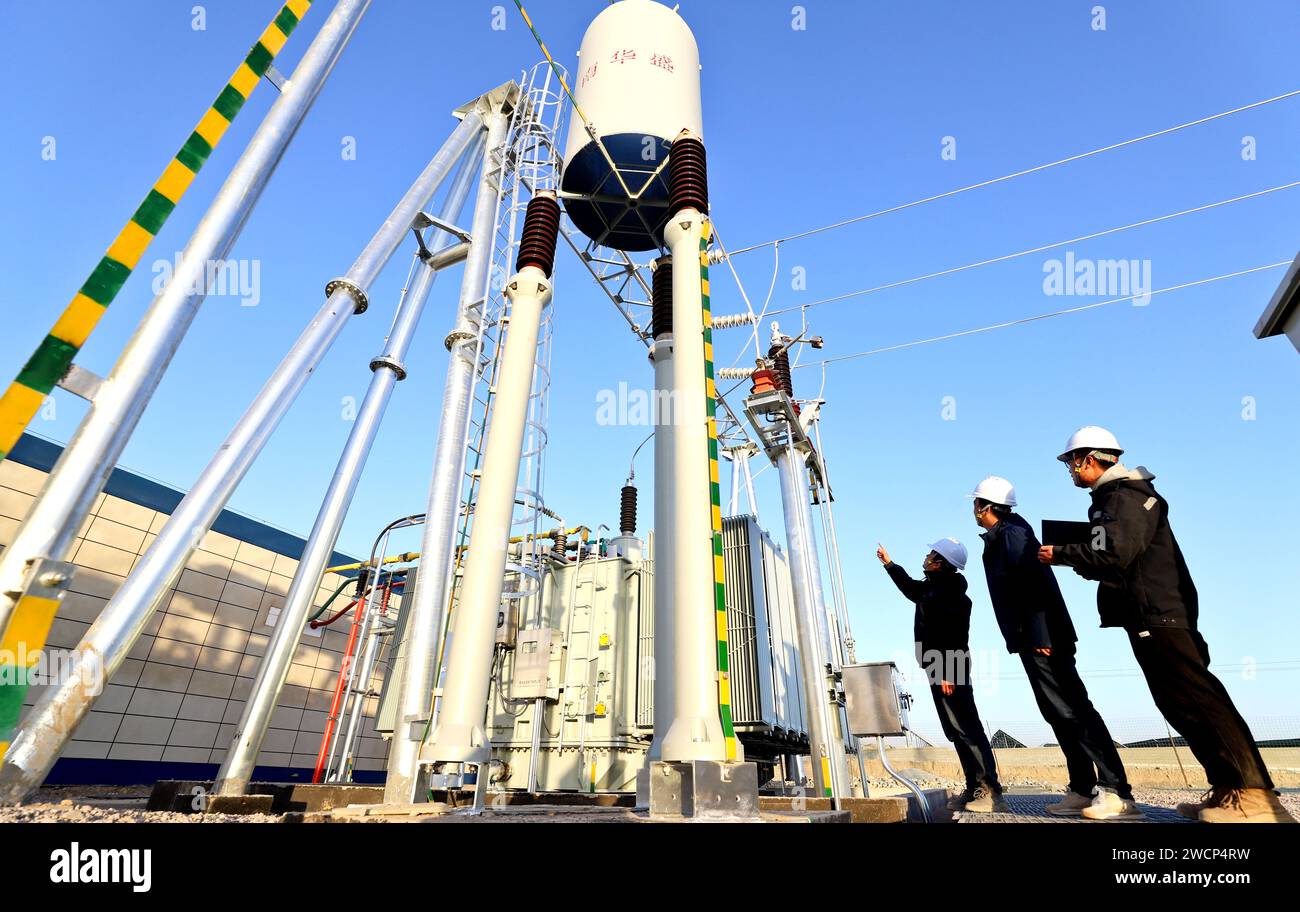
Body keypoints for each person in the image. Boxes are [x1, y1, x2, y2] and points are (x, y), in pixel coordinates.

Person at [1039, 426, 1295, 824]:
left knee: (1200, 701)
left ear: (1089, 459)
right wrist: (1082, 558)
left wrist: (1063, 553)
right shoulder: (1117, 498)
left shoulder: (1124, 496)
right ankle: (1228, 790)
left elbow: (1115, 553)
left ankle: (1255, 797)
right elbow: (1118, 557)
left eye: (1071, 462)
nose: (1070, 470)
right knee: (1180, 705)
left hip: (1160, 615)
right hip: (1149, 614)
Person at [971, 475, 1139, 820]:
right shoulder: (1004, 535)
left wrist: (1041, 636)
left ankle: (1116, 791)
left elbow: (1034, 586)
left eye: (975, 504)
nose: (973, 510)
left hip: (1044, 638)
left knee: (1075, 710)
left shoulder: (1013, 534)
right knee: (1058, 713)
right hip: (1032, 639)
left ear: (984, 507)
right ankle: (1082, 788)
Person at [876, 537, 1005, 813]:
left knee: (967, 728)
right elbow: (911, 588)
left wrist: (947, 672)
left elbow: (953, 636)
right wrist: (889, 565)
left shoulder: (952, 595)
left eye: (931, 554)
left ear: (940, 563)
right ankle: (974, 789)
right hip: (939, 666)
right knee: (956, 731)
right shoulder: (933, 589)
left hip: (950, 666)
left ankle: (990, 791)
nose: (926, 557)